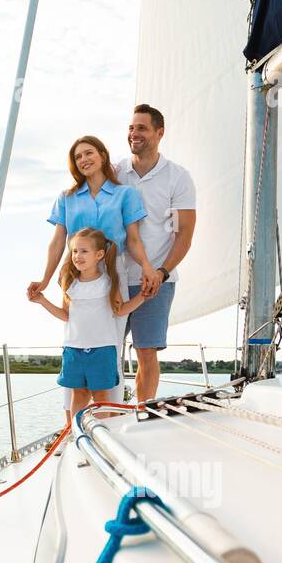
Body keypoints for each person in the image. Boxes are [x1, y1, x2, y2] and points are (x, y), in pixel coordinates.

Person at [114, 104, 197, 404]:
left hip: (158, 280)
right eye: (131, 128)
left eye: (142, 128)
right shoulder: (116, 172)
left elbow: (184, 234)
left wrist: (161, 273)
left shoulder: (177, 177)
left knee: (146, 352)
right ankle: (105, 412)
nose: (134, 134)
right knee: (105, 349)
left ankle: (142, 412)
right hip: (115, 278)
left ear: (159, 133)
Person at [30, 227, 148, 425]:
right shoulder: (70, 284)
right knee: (79, 393)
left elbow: (120, 310)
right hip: (74, 349)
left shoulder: (109, 282)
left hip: (102, 348)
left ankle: (103, 432)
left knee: (101, 395)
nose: (77, 256)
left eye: (84, 251)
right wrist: (42, 301)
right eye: (75, 251)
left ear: (99, 255)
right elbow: (65, 315)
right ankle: (79, 430)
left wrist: (143, 296)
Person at [27, 135, 161, 306]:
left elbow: (133, 239)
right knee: (79, 327)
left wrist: (146, 266)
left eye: (89, 153)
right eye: (78, 157)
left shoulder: (126, 194)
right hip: (77, 271)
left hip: (114, 270)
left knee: (114, 328)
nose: (84, 159)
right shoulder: (66, 198)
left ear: (103, 156)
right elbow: (57, 242)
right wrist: (45, 280)